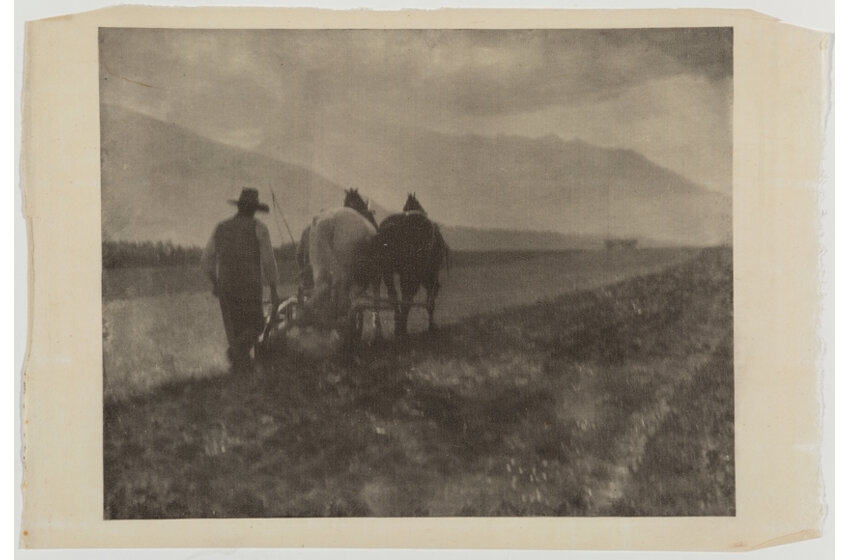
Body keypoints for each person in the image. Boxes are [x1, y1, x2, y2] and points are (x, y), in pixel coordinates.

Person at [201, 188, 279, 373]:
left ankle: (239, 368)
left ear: (239, 207)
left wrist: (215, 283)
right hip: (249, 287)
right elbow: (268, 261)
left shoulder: (220, 227)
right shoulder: (259, 228)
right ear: (253, 209)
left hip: (226, 287)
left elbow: (205, 260)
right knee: (257, 325)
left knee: (235, 331)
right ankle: (235, 356)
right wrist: (274, 288)